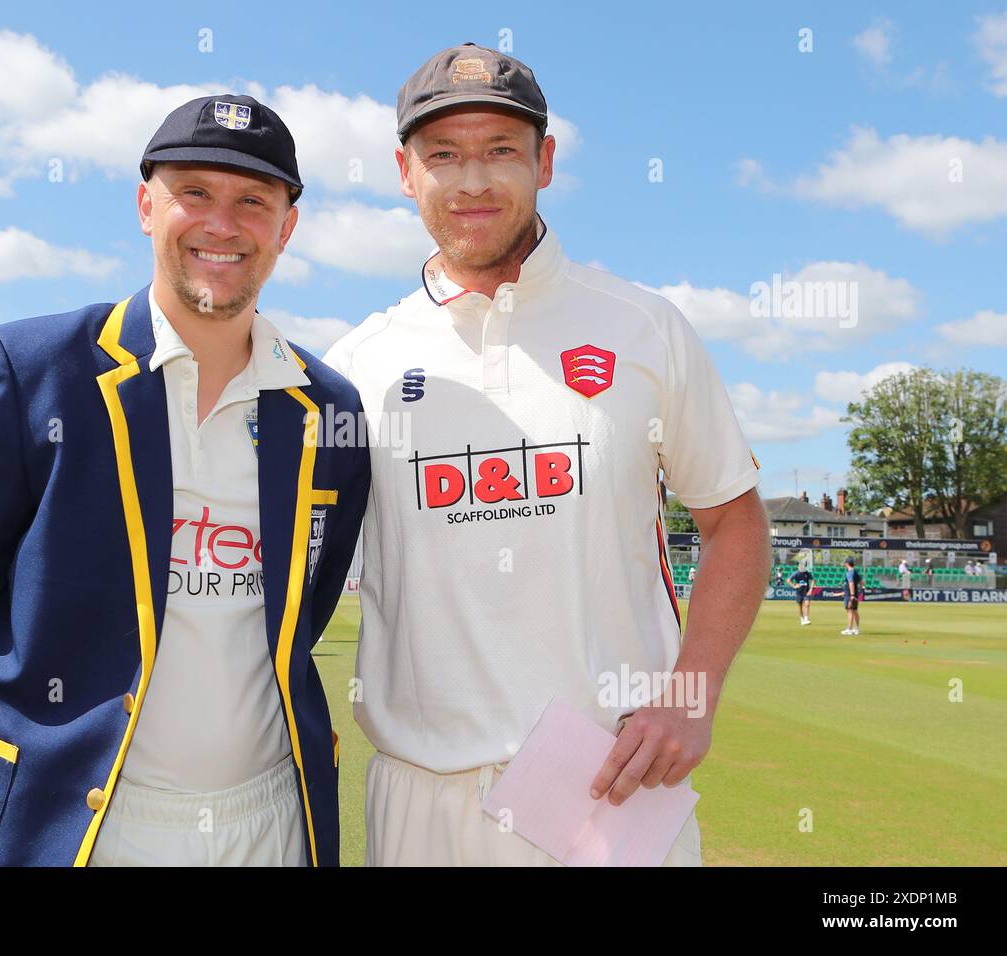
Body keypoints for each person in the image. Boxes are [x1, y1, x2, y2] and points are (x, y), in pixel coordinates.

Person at [324, 43, 769, 867]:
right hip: (425, 796)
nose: (473, 182)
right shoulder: (357, 365)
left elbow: (734, 521)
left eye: (501, 151)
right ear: (403, 171)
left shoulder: (644, 326)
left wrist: (691, 696)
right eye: (443, 155)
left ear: (547, 161)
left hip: (613, 785)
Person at [0, 94, 369, 867]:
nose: (223, 223)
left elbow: (307, 609)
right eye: (195, 192)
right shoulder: (24, 370)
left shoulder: (330, 407)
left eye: (253, 200)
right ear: (146, 205)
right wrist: (60, 695)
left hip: (273, 819)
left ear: (286, 227)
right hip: (88, 818)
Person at [842, 558, 862, 635]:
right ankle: (856, 629)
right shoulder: (856, 572)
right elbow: (862, 583)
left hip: (850, 595)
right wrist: (857, 592)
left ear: (847, 563)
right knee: (855, 611)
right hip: (855, 594)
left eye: (845, 563)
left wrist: (852, 595)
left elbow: (851, 583)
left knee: (850, 611)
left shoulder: (849, 572)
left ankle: (849, 629)